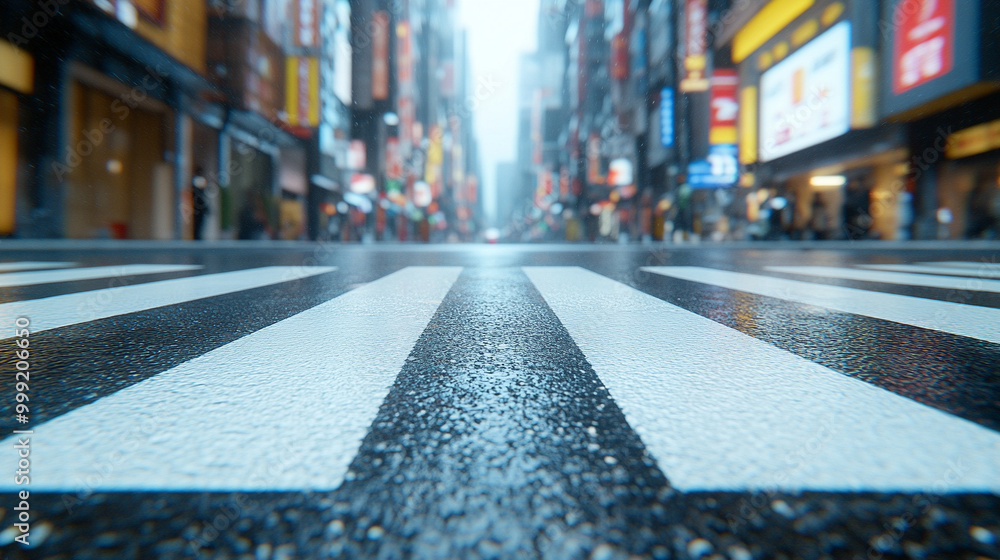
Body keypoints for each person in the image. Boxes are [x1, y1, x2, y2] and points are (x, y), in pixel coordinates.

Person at [191, 166, 209, 240]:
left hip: (198, 207)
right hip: (198, 207)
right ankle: (197, 237)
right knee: (198, 224)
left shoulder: (197, 181)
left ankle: (198, 236)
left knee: (199, 225)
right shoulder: (197, 182)